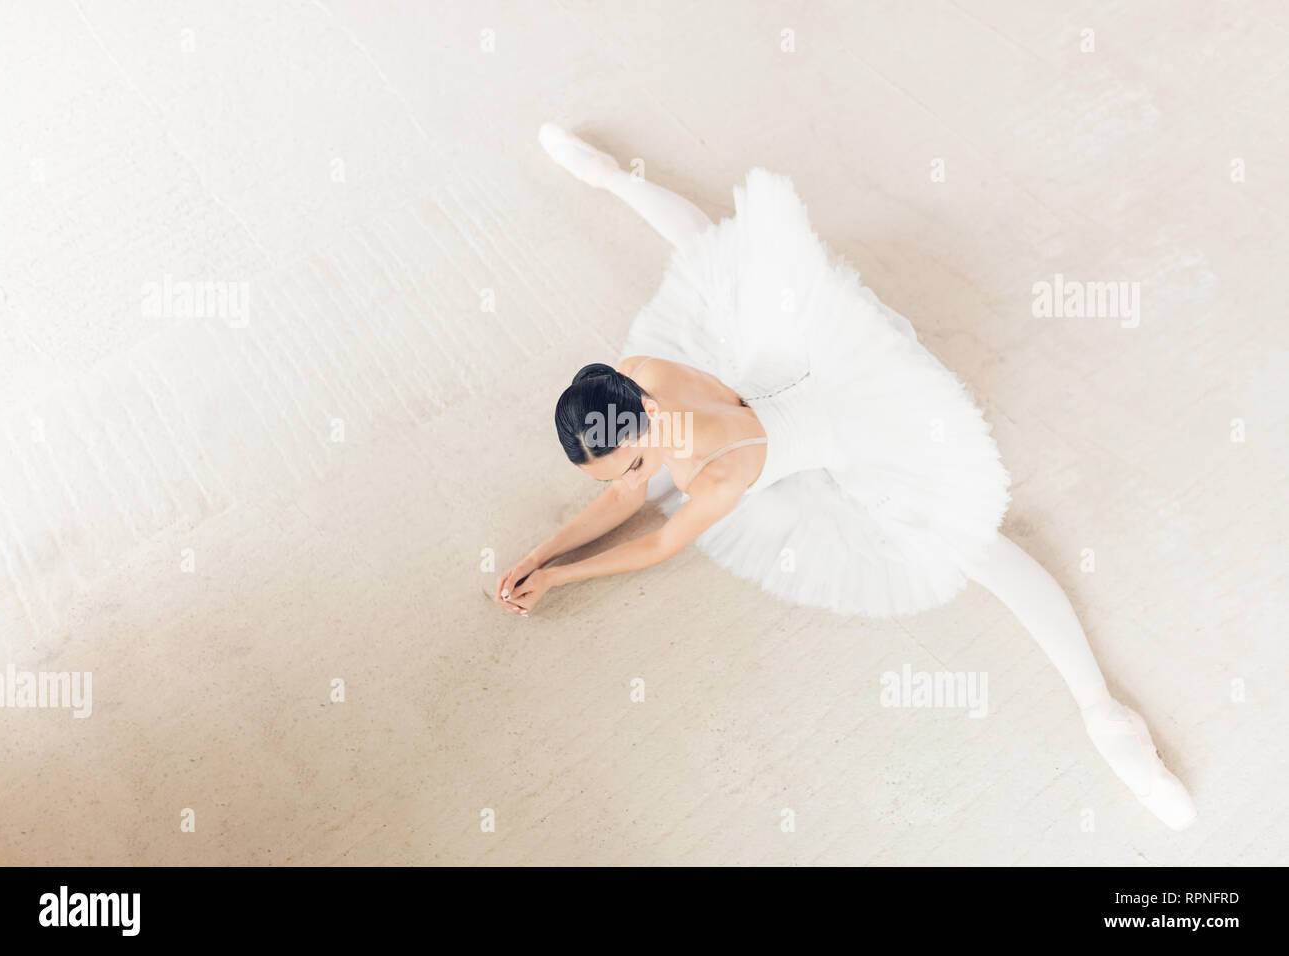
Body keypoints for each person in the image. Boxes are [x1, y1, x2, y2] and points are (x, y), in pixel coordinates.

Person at [493, 123, 1198, 831]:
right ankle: (611, 175)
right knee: (712, 258)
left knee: (972, 547)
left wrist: (561, 576)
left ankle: (1102, 712)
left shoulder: (717, 471)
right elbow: (623, 493)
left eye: (636, 460)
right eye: (622, 465)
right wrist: (538, 555)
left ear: (641, 417)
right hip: (776, 373)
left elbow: (656, 542)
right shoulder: (640, 375)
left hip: (840, 427)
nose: (631, 480)